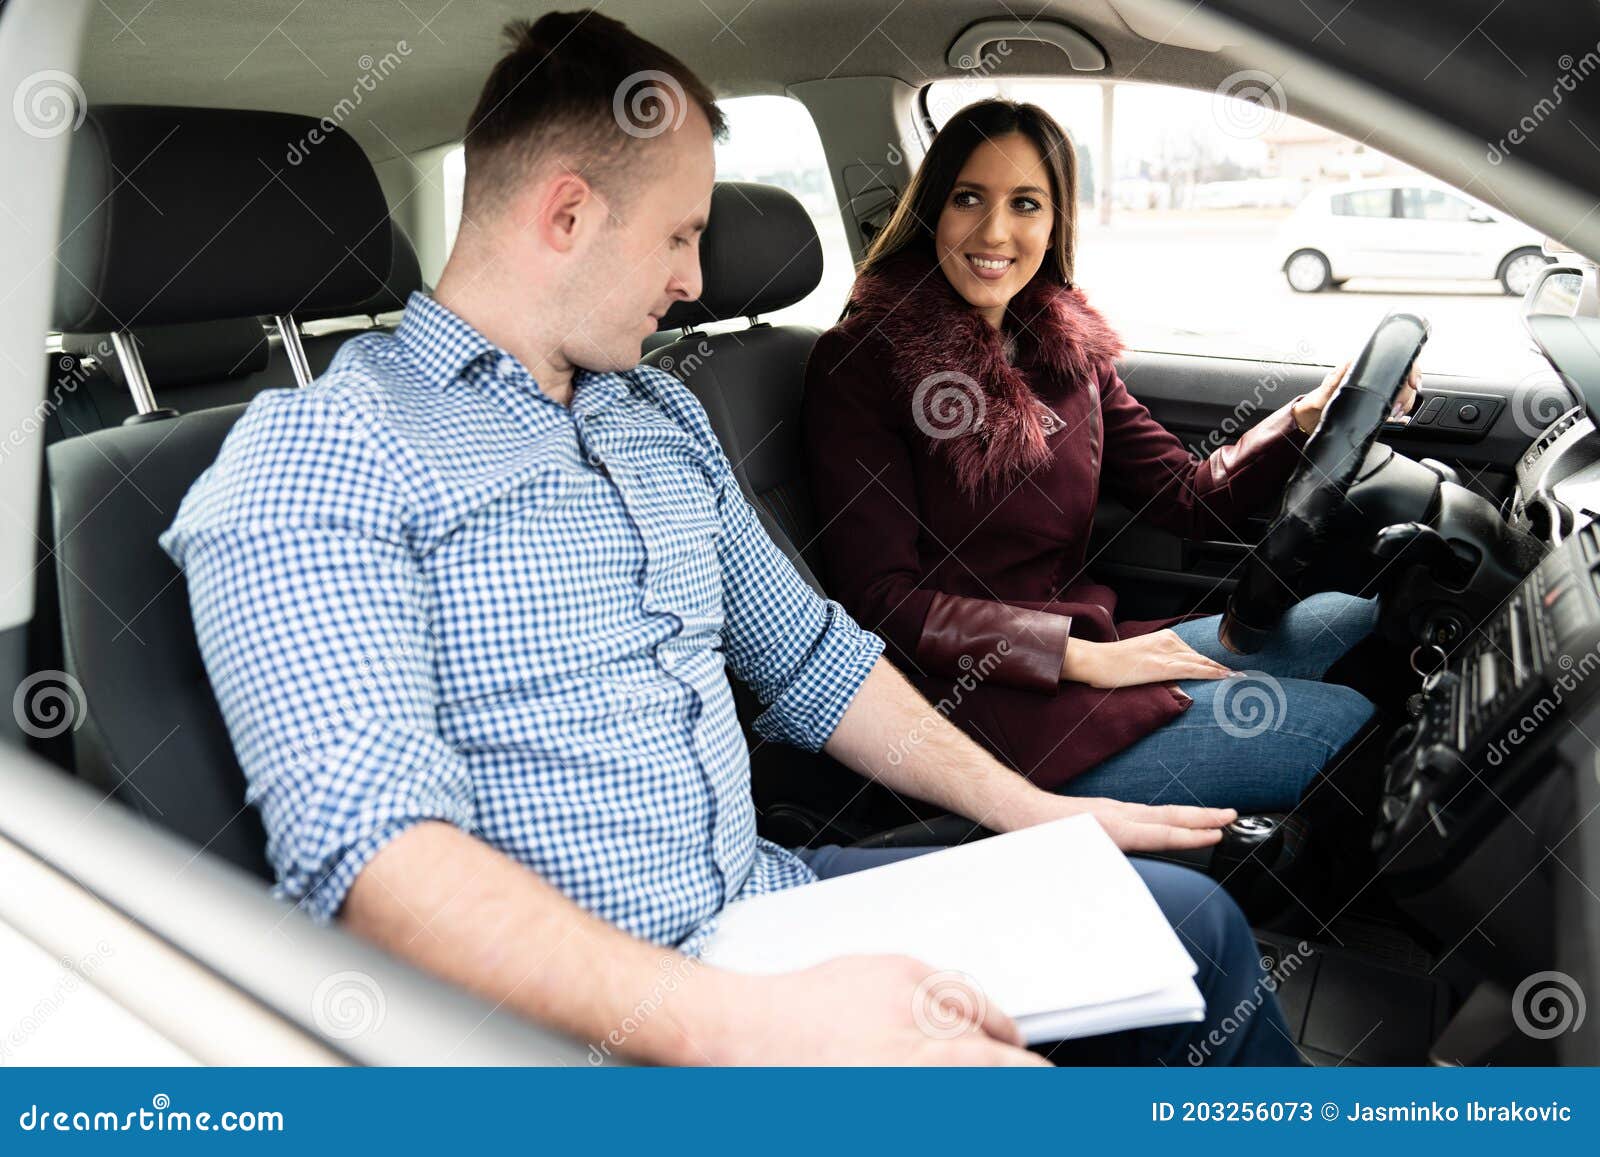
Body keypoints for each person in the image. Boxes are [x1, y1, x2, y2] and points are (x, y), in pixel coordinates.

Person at [162, 11, 1302, 1066]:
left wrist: (1039, 818)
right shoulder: (320, 457)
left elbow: (815, 658)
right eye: (677, 236)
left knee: (1192, 930)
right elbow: (375, 860)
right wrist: (759, 1026)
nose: (695, 278)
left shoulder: (654, 414)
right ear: (564, 215)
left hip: (765, 901)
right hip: (583, 1023)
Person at [803, 99, 1420, 813]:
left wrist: (1303, 418)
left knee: (1360, 621)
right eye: (967, 198)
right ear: (933, 209)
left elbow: (1189, 495)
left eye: (1026, 203)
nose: (995, 230)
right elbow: (880, 603)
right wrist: (1084, 658)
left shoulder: (1067, 354)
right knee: (1341, 727)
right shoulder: (860, 362)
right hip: (977, 713)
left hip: (1090, 651)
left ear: (1056, 221)